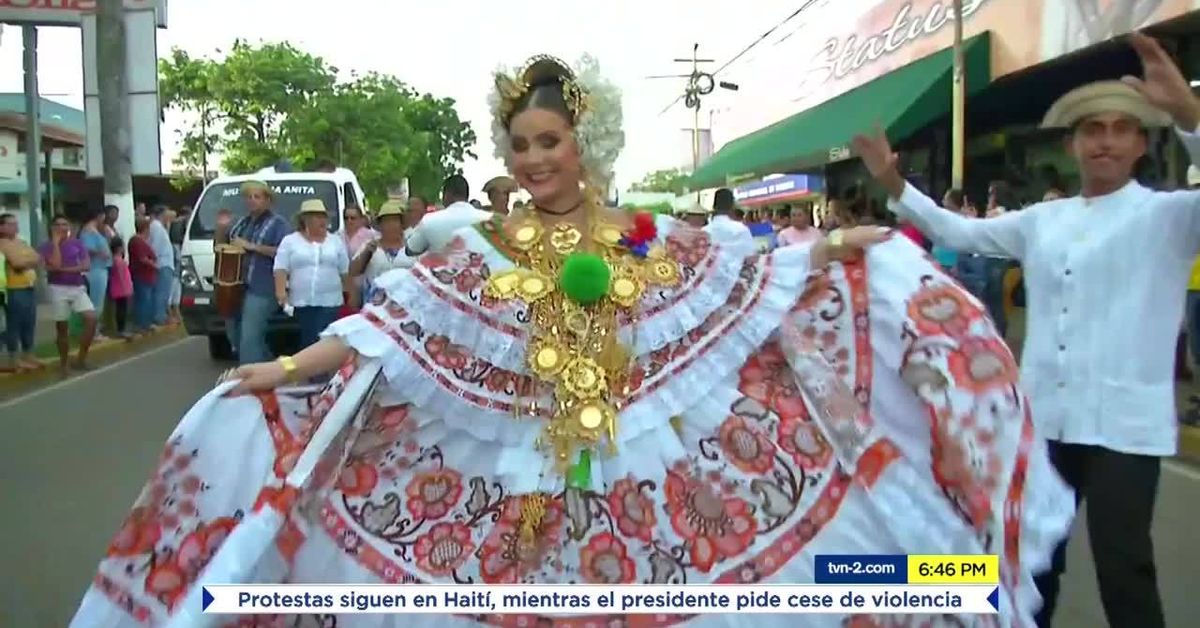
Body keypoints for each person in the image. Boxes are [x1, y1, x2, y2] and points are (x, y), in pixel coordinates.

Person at [73, 55, 1071, 627]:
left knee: (791, 572)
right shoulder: (489, 243)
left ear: (581, 145)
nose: (534, 160)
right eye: (518, 148)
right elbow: (396, 320)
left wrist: (849, 242)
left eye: (548, 143)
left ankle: (952, 576)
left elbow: (735, 255)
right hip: (524, 473)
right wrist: (284, 368)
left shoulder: (633, 231)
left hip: (642, 463)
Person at [851, 32, 1195, 628]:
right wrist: (893, 183)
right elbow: (958, 234)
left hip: (1125, 427)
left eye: (1119, 129)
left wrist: (1190, 114)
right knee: (1031, 561)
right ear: (1073, 144)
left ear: (1141, 142)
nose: (1105, 140)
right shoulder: (1043, 220)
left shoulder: (1169, 216)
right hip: (1044, 419)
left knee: (1125, 567)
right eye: (1092, 129)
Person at [216, 181, 291, 365]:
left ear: (267, 200)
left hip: (263, 286)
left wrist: (251, 246)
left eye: (257, 196)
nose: (252, 200)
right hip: (238, 286)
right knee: (235, 333)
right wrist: (221, 229)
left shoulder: (278, 223)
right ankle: (273, 369)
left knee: (250, 336)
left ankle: (251, 382)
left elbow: (284, 252)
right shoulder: (242, 222)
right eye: (248, 197)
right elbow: (221, 247)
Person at [274, 199, 350, 350]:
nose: (322, 220)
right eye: (316, 217)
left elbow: (345, 271)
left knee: (325, 339)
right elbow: (280, 268)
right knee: (309, 339)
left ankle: (323, 371)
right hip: (303, 301)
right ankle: (312, 371)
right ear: (305, 220)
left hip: (331, 300)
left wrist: (350, 295)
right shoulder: (290, 241)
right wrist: (281, 293)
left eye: (323, 216)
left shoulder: (335, 241)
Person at [39, 214, 96, 376]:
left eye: (65, 224)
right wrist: (56, 243)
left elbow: (86, 265)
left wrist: (63, 269)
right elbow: (54, 264)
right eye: (58, 225)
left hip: (77, 287)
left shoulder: (77, 243)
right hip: (58, 288)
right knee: (62, 327)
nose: (62, 228)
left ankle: (81, 358)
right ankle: (64, 363)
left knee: (91, 318)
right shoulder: (46, 247)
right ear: (52, 228)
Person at [405, 175, 491, 256]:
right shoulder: (491, 220)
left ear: (447, 194)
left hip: (441, 270)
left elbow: (411, 250)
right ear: (466, 195)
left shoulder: (430, 221)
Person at [350, 199, 413, 301]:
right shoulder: (369, 245)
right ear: (380, 225)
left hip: (406, 303)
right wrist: (367, 253)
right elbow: (354, 271)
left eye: (395, 220)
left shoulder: (412, 247)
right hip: (375, 303)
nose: (391, 225)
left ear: (401, 224)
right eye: (386, 221)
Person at [0, 213, 40, 372]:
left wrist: (26, 260)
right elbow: (16, 263)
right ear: (1, 227)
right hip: (14, 288)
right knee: (14, 323)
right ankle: (13, 358)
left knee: (29, 321)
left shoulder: (21, 241)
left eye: (16, 223)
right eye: (11, 224)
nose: (15, 227)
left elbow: (37, 257)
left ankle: (28, 353)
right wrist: (27, 260)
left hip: (29, 286)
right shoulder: (3, 244)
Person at [79, 207, 113, 339]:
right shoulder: (88, 232)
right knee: (96, 302)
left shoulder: (95, 231)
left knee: (98, 302)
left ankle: (95, 329)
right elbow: (86, 249)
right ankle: (93, 332)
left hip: (100, 268)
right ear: (98, 216)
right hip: (95, 270)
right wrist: (100, 253)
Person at [146, 206, 175, 327]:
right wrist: (155, 263)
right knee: (161, 292)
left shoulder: (159, 227)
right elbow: (155, 247)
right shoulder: (156, 227)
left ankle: (161, 315)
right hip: (162, 264)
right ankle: (159, 317)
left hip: (165, 263)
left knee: (163, 292)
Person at [128, 216, 158, 333]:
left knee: (147, 299)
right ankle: (141, 324)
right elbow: (142, 258)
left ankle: (146, 323)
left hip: (147, 275)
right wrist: (154, 265)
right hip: (141, 275)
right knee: (143, 300)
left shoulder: (141, 241)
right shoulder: (137, 241)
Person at [703, 187, 754, 253]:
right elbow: (750, 256)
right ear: (732, 206)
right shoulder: (741, 229)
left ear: (714, 207)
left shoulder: (703, 232)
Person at [108, 237, 134, 338]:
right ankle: (121, 329)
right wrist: (127, 287)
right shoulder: (118, 261)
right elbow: (121, 276)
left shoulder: (116, 260)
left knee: (121, 308)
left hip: (120, 288)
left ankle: (121, 329)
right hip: (121, 289)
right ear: (119, 248)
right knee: (121, 309)